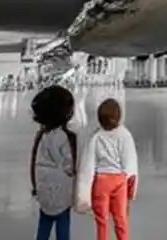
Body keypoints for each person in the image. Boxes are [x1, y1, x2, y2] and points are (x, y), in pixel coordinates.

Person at [77, 98, 138, 240]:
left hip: (101, 181)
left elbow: (88, 164)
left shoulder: (96, 137)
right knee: (121, 218)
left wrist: (84, 191)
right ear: (119, 116)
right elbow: (130, 163)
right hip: (119, 180)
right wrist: (131, 187)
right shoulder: (125, 135)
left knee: (101, 220)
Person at [30, 85, 77, 240]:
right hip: (61, 189)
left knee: (45, 220)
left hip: (43, 186)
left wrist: (35, 186)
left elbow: (34, 160)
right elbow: (68, 165)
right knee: (63, 220)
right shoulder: (65, 137)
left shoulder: (40, 135)